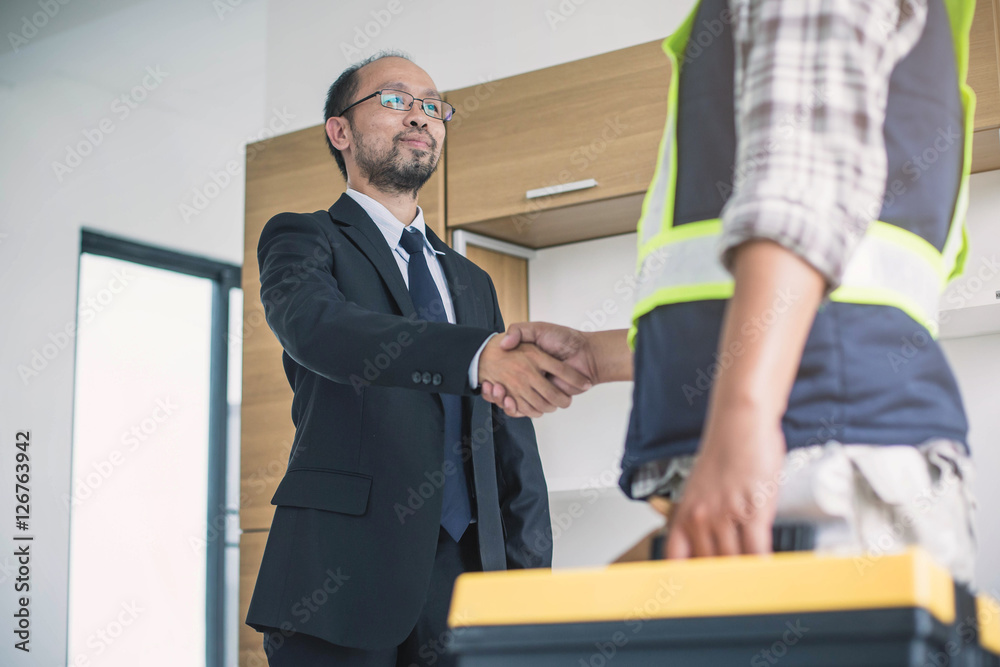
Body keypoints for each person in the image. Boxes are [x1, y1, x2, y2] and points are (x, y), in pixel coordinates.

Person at [483, 0, 977, 582]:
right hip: (814, 455)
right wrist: (597, 356)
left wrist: (744, 419)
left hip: (816, 457)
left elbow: (796, 202)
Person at [245, 52, 589, 666]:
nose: (420, 117)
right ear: (340, 131)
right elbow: (321, 331)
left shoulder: (473, 281)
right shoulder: (302, 237)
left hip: (470, 581)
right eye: (395, 100)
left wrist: (530, 582)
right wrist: (475, 355)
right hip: (340, 579)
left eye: (433, 107)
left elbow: (510, 441)